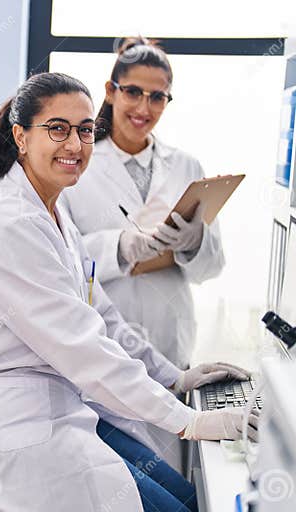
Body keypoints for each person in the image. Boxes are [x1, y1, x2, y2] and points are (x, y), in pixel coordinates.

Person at [0, 72, 254, 512]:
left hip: (56, 407)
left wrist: (174, 377)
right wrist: (189, 421)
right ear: (21, 137)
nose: (74, 145)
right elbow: (83, 348)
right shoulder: (11, 223)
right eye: (58, 129)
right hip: (6, 426)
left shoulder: (53, 210)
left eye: (85, 130)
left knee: (186, 497)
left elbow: (101, 315)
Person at [59, 37, 223, 370]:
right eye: (133, 92)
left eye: (158, 97)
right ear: (110, 90)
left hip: (171, 344)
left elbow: (212, 267)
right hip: (103, 349)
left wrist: (194, 244)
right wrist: (120, 247)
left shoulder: (186, 167)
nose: (144, 109)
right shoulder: (75, 166)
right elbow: (60, 260)